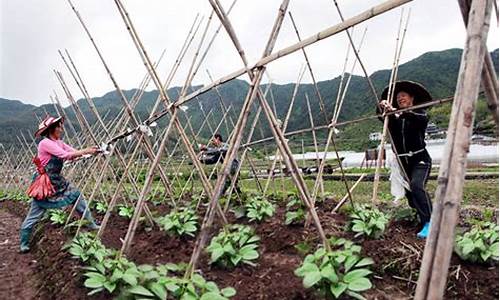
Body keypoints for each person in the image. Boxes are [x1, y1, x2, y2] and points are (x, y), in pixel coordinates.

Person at [19, 116, 100, 253]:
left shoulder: (59, 142)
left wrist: (92, 152)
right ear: (52, 129)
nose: (61, 129)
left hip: (57, 180)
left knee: (76, 195)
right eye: (59, 127)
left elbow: (72, 153)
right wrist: (85, 151)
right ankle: (24, 242)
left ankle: (91, 224)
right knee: (35, 212)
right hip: (44, 184)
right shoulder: (45, 143)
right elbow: (64, 155)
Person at [378, 81, 433, 238]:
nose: (400, 97)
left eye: (404, 95)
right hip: (403, 163)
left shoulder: (419, 114)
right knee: (410, 194)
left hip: (419, 159)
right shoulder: (393, 119)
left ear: (412, 98)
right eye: (398, 96)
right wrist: (382, 106)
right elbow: (380, 115)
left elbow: (418, 119)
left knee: (417, 186)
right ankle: (421, 217)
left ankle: (430, 222)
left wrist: (399, 112)